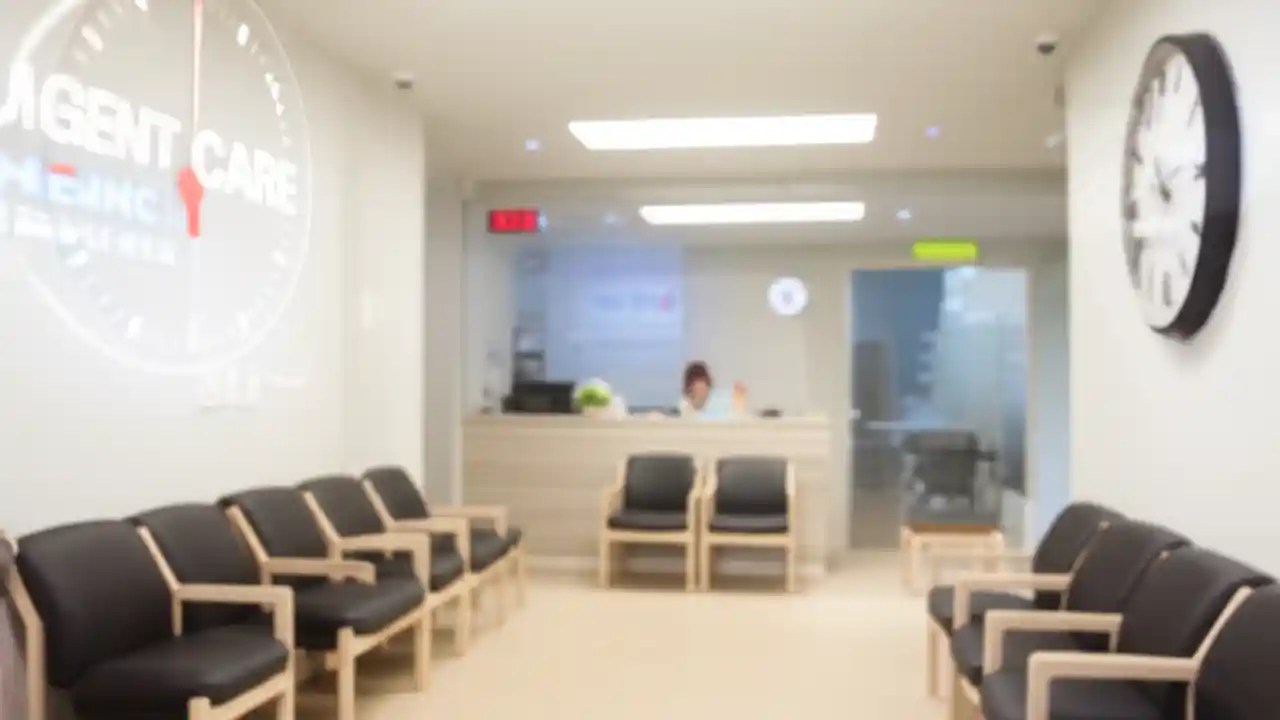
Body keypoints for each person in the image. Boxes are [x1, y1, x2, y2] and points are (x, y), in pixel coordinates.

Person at [679, 361, 747, 419]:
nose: (703, 390)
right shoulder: (683, 407)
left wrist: (738, 399)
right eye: (698, 385)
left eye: (705, 384)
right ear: (689, 388)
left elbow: (735, 418)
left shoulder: (716, 405)